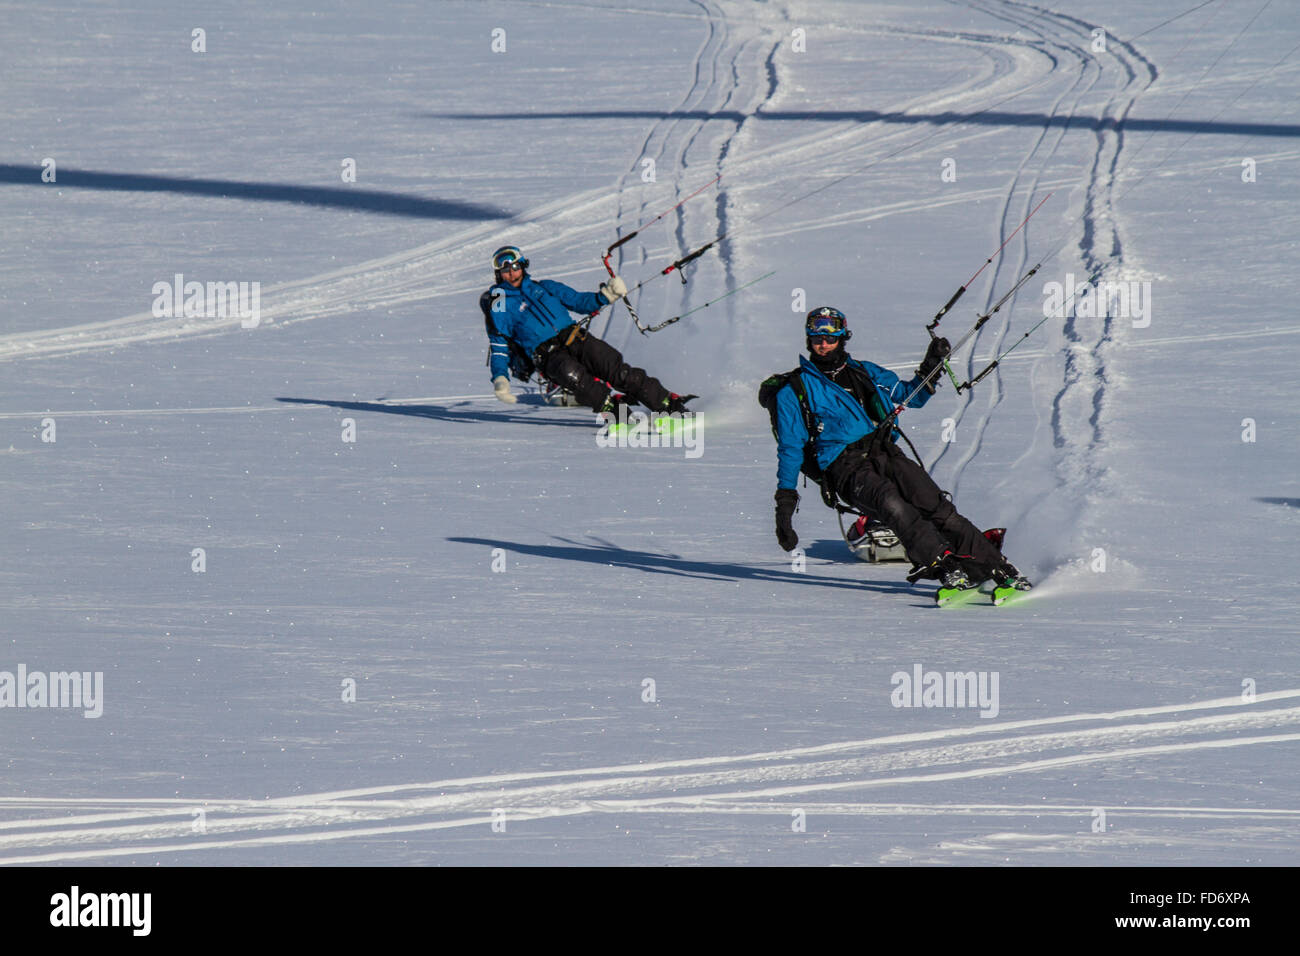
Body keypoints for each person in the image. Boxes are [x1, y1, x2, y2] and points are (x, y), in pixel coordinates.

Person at [769, 306, 1031, 593]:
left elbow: (910, 396)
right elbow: (791, 448)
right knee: (894, 506)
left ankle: (996, 566)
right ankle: (944, 566)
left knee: (936, 506)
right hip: (843, 466)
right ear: (809, 340)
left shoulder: (864, 372)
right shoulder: (794, 389)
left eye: (830, 338)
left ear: (842, 337)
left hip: (884, 452)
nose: (823, 344)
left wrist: (931, 364)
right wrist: (785, 502)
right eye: (816, 338)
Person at [480, 245, 693, 415]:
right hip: (547, 354)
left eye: (515, 267)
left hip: (574, 336)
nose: (511, 273)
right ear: (499, 274)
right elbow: (499, 344)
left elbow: (580, 301)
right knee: (576, 378)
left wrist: (606, 295)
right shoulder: (499, 304)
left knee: (617, 370)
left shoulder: (544, 287)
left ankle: (668, 405)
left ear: (523, 266)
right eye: (505, 270)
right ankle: (617, 414)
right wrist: (500, 378)